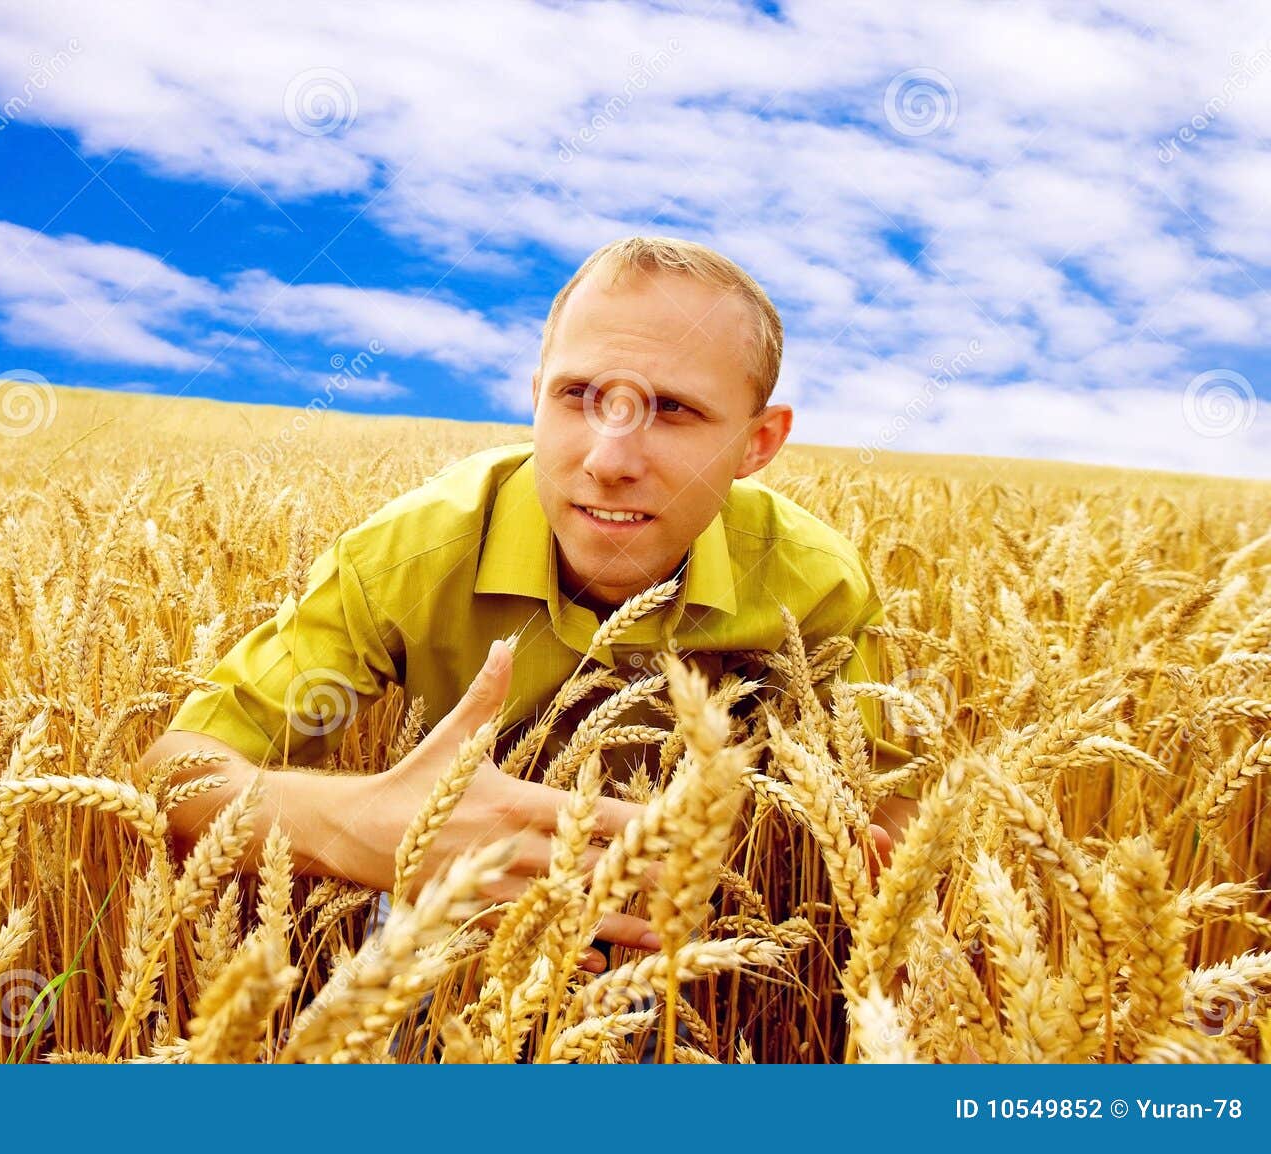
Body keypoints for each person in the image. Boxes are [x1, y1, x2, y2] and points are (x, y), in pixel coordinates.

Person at [138, 236, 920, 974]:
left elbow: (891, 813)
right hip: (446, 932)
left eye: (674, 410)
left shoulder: (814, 586)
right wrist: (377, 830)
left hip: (700, 946)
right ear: (533, 396)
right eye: (578, 395)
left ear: (759, 442)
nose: (609, 460)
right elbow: (175, 773)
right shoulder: (410, 556)